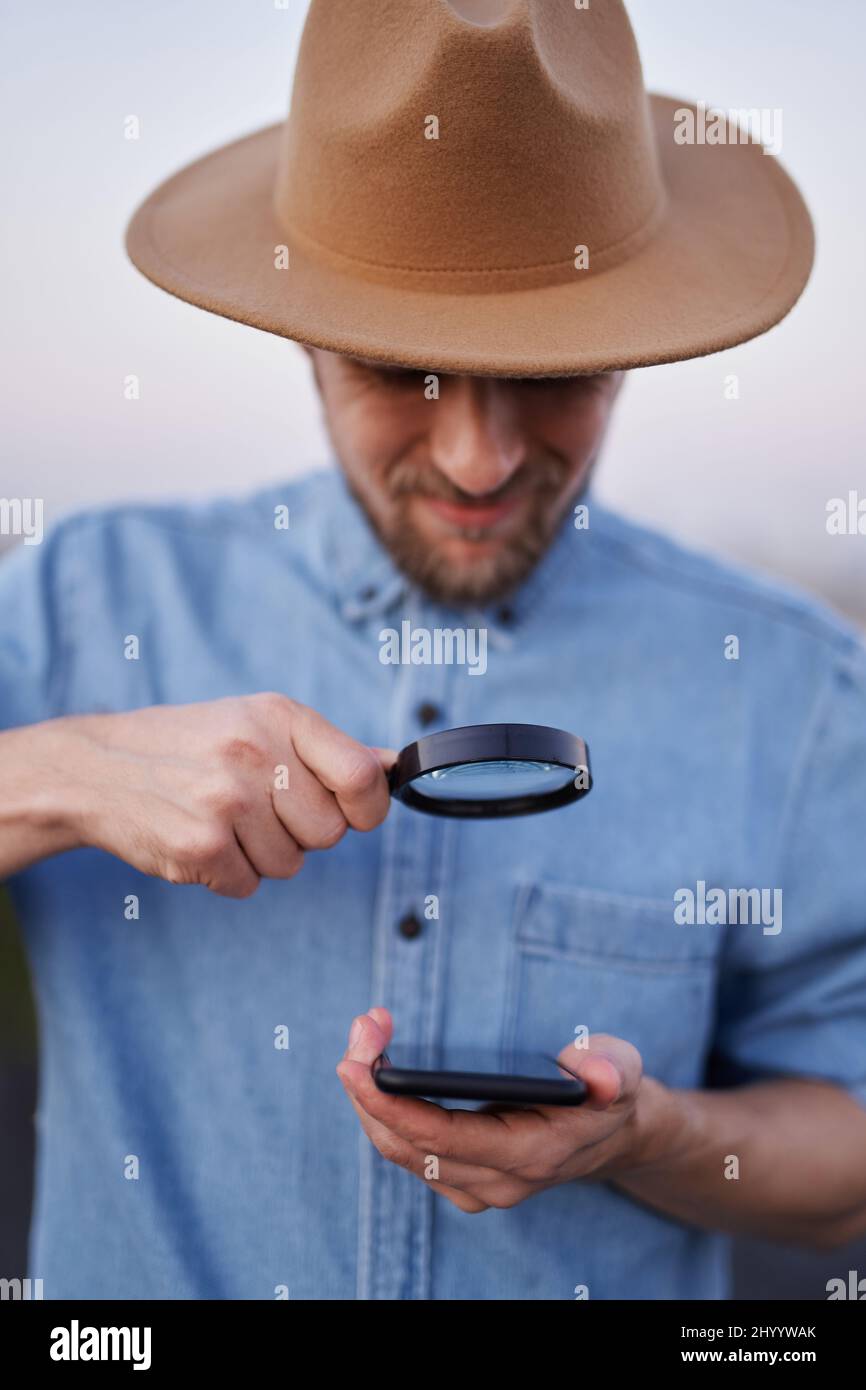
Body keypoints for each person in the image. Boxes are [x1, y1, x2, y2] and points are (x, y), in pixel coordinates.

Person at [2, 0, 864, 1300]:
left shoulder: (790, 686)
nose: (478, 458)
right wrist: (53, 774)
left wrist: (655, 1134)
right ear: (304, 330)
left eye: (557, 374)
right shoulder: (79, 597)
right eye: (397, 367)